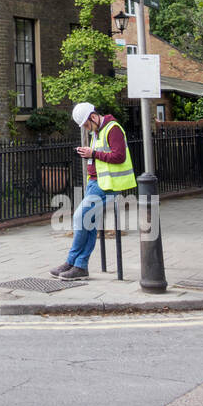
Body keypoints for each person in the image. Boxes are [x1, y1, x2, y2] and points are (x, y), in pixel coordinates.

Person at [50, 101, 137, 279]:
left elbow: (119, 156)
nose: (87, 128)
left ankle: (71, 261)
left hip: (107, 185)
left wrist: (93, 154)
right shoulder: (98, 131)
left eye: (87, 124)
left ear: (93, 116)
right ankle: (80, 267)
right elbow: (99, 156)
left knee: (79, 216)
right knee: (88, 224)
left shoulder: (113, 129)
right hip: (96, 183)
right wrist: (88, 154)